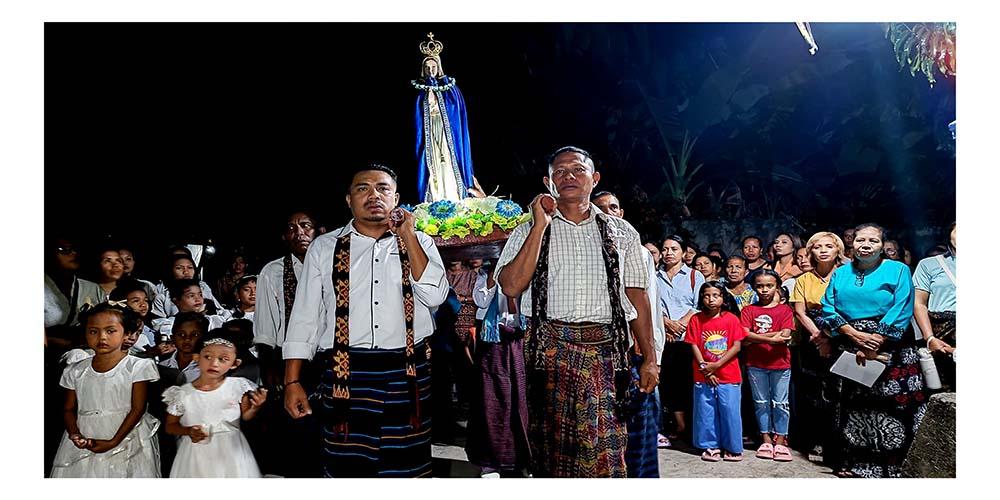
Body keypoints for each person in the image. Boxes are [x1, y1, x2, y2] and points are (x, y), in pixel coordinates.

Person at [496, 146, 657, 477]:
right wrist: (539, 226)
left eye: (578, 170)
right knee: (553, 449)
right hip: (548, 355)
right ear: (548, 182)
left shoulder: (622, 232)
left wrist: (650, 359)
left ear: (594, 178)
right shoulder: (527, 230)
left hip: (607, 353)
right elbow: (510, 286)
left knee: (603, 447)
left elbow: (638, 298)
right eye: (559, 171)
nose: (568, 176)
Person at [282, 163, 449, 478]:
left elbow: (435, 295)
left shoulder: (421, 242)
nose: (374, 195)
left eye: (383, 188)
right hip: (346, 372)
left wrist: (408, 235)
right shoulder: (324, 247)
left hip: (407, 371)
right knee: (347, 465)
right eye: (363, 188)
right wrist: (292, 382)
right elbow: (304, 317)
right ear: (349, 200)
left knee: (405, 467)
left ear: (396, 198)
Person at [820, 223, 926, 478]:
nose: (866, 245)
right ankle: (854, 463)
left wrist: (878, 337)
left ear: (882, 246)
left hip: (893, 349)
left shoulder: (898, 270)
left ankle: (892, 466)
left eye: (873, 241)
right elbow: (827, 306)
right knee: (854, 406)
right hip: (851, 345)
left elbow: (903, 304)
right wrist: (853, 334)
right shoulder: (840, 273)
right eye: (860, 240)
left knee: (892, 405)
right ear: (852, 244)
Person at [593, 190, 666, 477]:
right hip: (596, 352)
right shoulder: (583, 251)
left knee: (639, 435)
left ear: (621, 213)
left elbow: (649, 304)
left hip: (632, 353)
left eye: (613, 207)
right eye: (601, 208)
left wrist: (652, 356)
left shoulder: (639, 252)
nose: (608, 213)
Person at [49, 303, 161, 477]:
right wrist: (74, 434)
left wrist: (113, 442)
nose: (102, 337)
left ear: (127, 334)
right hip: (86, 434)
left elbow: (138, 409)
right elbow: (68, 408)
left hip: (125, 435)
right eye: (93, 331)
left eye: (110, 331)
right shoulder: (76, 370)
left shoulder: (138, 366)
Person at [252, 209, 323, 478]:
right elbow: (266, 323)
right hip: (288, 359)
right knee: (295, 426)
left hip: (327, 355)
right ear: (284, 236)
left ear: (319, 231)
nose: (299, 233)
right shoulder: (273, 271)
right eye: (291, 228)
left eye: (305, 226)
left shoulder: (333, 265)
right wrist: (269, 365)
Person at [163, 335, 268, 477]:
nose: (214, 363)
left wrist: (255, 407)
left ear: (234, 363)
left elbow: (246, 416)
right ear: (196, 358)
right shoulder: (183, 393)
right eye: (207, 357)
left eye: (223, 359)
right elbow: (170, 426)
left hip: (231, 451)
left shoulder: (237, 386)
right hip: (197, 453)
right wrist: (188, 431)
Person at [466, 259, 530, 478]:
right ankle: (490, 462)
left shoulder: (527, 269)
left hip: (519, 341)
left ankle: (521, 459)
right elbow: (481, 300)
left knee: (520, 400)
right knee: (491, 400)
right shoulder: (485, 274)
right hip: (492, 342)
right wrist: (495, 272)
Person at [790, 231, 844, 465]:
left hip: (841, 334)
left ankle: (837, 447)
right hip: (811, 338)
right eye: (817, 246)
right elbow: (800, 312)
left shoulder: (846, 275)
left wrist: (830, 337)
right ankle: (812, 441)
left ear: (838, 250)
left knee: (838, 392)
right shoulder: (804, 279)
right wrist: (819, 338)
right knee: (812, 392)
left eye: (828, 246)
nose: (823, 250)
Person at [684, 281, 746, 462]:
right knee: (705, 411)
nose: (711, 299)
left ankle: (732, 447)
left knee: (730, 411)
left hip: (729, 374)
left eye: (715, 295)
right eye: (706, 296)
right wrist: (707, 370)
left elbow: (736, 346)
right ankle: (710, 445)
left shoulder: (732, 319)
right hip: (702, 374)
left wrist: (717, 365)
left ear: (723, 298)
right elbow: (694, 345)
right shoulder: (696, 319)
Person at [740, 269, 795, 462]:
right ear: (754, 288)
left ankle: (780, 439)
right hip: (755, 363)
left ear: (777, 287)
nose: (764, 290)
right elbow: (743, 335)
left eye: (769, 286)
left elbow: (786, 334)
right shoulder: (748, 310)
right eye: (760, 286)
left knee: (781, 403)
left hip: (780, 363)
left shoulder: (785, 310)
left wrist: (754, 337)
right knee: (761, 402)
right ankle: (765, 438)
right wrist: (772, 338)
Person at [413, 32, 476, 202]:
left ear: (439, 66)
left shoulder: (450, 89)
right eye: (427, 67)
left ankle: (454, 197)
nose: (430, 70)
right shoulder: (419, 90)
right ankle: (434, 198)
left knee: (448, 161)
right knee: (432, 163)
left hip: (447, 133)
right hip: (428, 133)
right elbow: (417, 116)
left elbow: (456, 113)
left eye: (433, 66)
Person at [657, 234, 706, 443]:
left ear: (684, 253)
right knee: (669, 384)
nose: (669, 253)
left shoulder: (695, 276)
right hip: (664, 337)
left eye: (674, 249)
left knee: (689, 382)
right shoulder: (655, 276)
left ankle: (693, 427)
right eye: (665, 249)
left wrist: (679, 324)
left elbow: (698, 305)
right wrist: (667, 324)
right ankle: (680, 426)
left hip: (688, 338)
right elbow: (651, 305)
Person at [912, 222, 956, 390]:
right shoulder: (929, 264)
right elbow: (919, 303)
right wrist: (929, 338)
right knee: (946, 388)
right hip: (942, 333)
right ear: (950, 235)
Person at [151, 254, 223, 319]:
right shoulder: (163, 294)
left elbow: (220, 311)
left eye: (190, 267)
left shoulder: (202, 287)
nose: (186, 272)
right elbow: (158, 322)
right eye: (179, 268)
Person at [158, 312, 209, 386]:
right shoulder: (163, 366)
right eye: (181, 334)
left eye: (195, 335)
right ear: (172, 338)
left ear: (204, 338)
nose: (187, 339)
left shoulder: (209, 368)